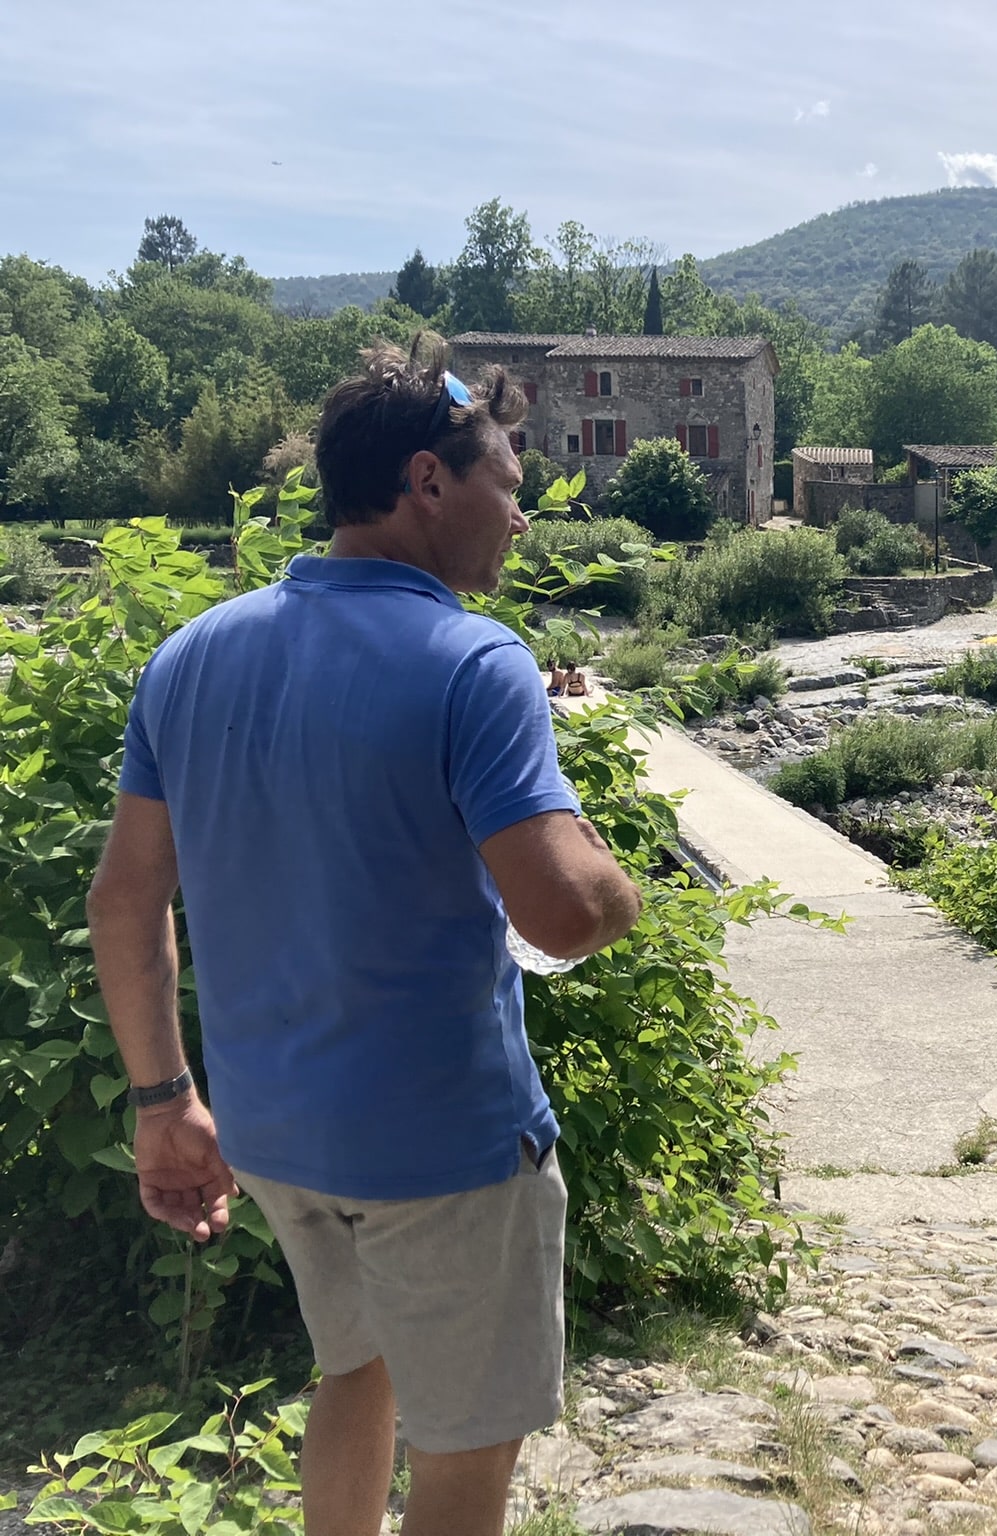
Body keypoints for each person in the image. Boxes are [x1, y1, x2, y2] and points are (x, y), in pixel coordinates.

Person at [87, 334, 644, 1536]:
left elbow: (123, 899)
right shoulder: (474, 659)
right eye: (506, 484)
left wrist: (163, 1100)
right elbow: (560, 912)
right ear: (426, 483)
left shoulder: (189, 656)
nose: (520, 517)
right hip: (444, 1150)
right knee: (463, 1459)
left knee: (358, 1369)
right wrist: (615, 881)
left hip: (275, 1134)